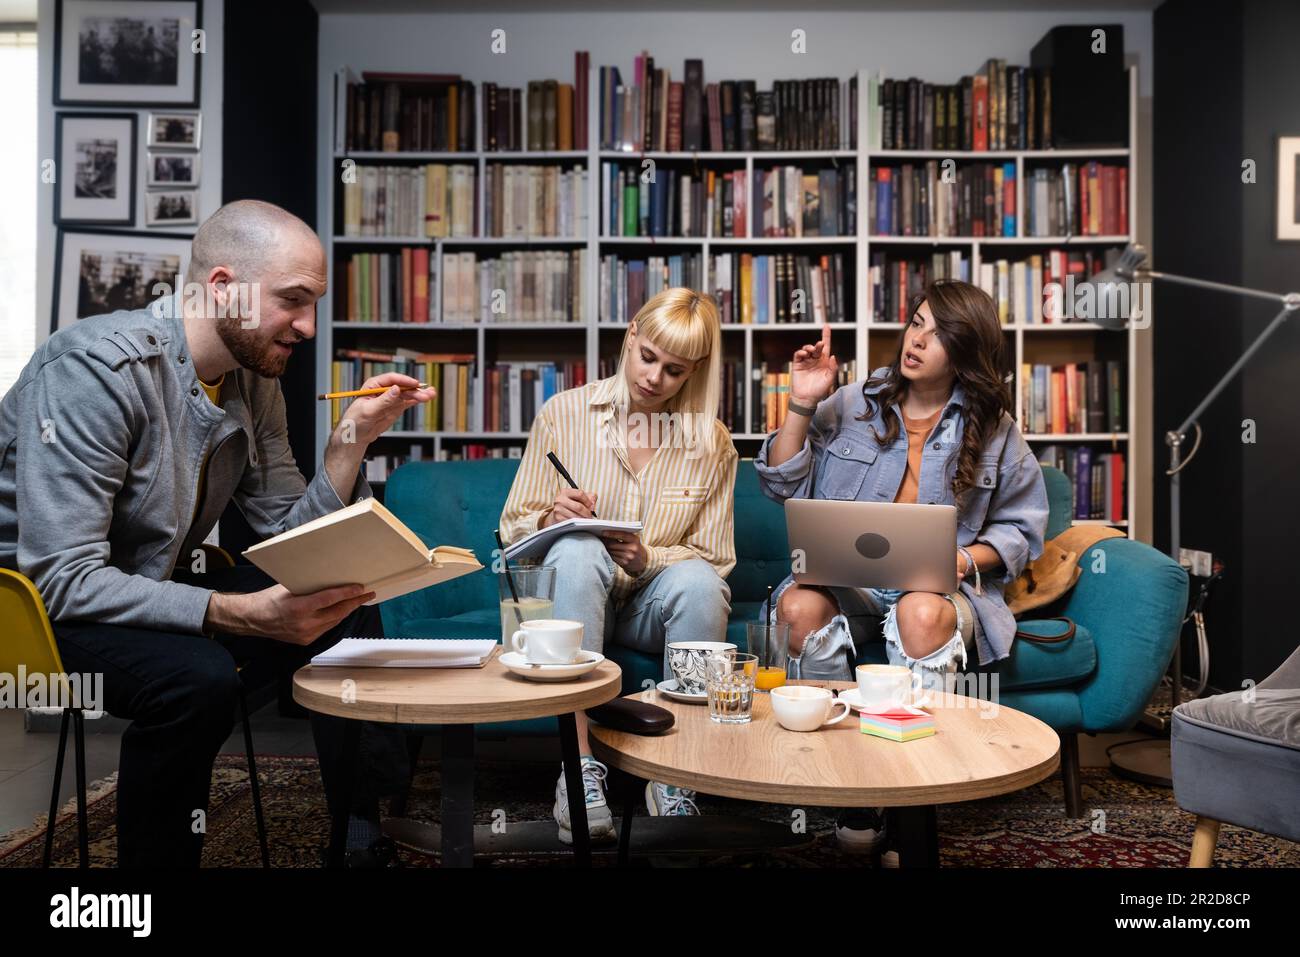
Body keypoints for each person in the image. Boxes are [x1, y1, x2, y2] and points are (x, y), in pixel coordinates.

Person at [0, 200, 436, 867]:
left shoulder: (252, 382)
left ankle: (358, 834)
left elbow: (293, 537)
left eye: (313, 303)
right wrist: (239, 613)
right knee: (196, 680)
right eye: (293, 300)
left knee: (343, 592)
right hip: (39, 602)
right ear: (224, 287)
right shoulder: (95, 371)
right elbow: (62, 576)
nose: (309, 326)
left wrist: (352, 439)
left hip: (149, 584)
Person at [754, 279, 1048, 853]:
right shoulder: (853, 404)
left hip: (935, 592)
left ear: (965, 352)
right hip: (851, 587)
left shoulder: (995, 428)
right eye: (916, 323)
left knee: (919, 611)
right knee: (797, 605)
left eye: (938, 336)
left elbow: (1021, 530)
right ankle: (848, 784)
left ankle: (911, 792)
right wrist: (802, 402)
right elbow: (777, 482)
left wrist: (962, 559)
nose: (916, 341)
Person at [499, 288, 737, 845]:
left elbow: (716, 558)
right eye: (647, 355)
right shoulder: (564, 413)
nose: (653, 377)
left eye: (673, 370)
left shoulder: (712, 442)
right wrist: (548, 518)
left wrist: (648, 557)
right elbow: (511, 529)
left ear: (694, 371)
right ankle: (579, 768)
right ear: (631, 335)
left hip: (652, 603)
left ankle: (680, 775)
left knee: (701, 586)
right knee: (578, 550)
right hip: (577, 595)